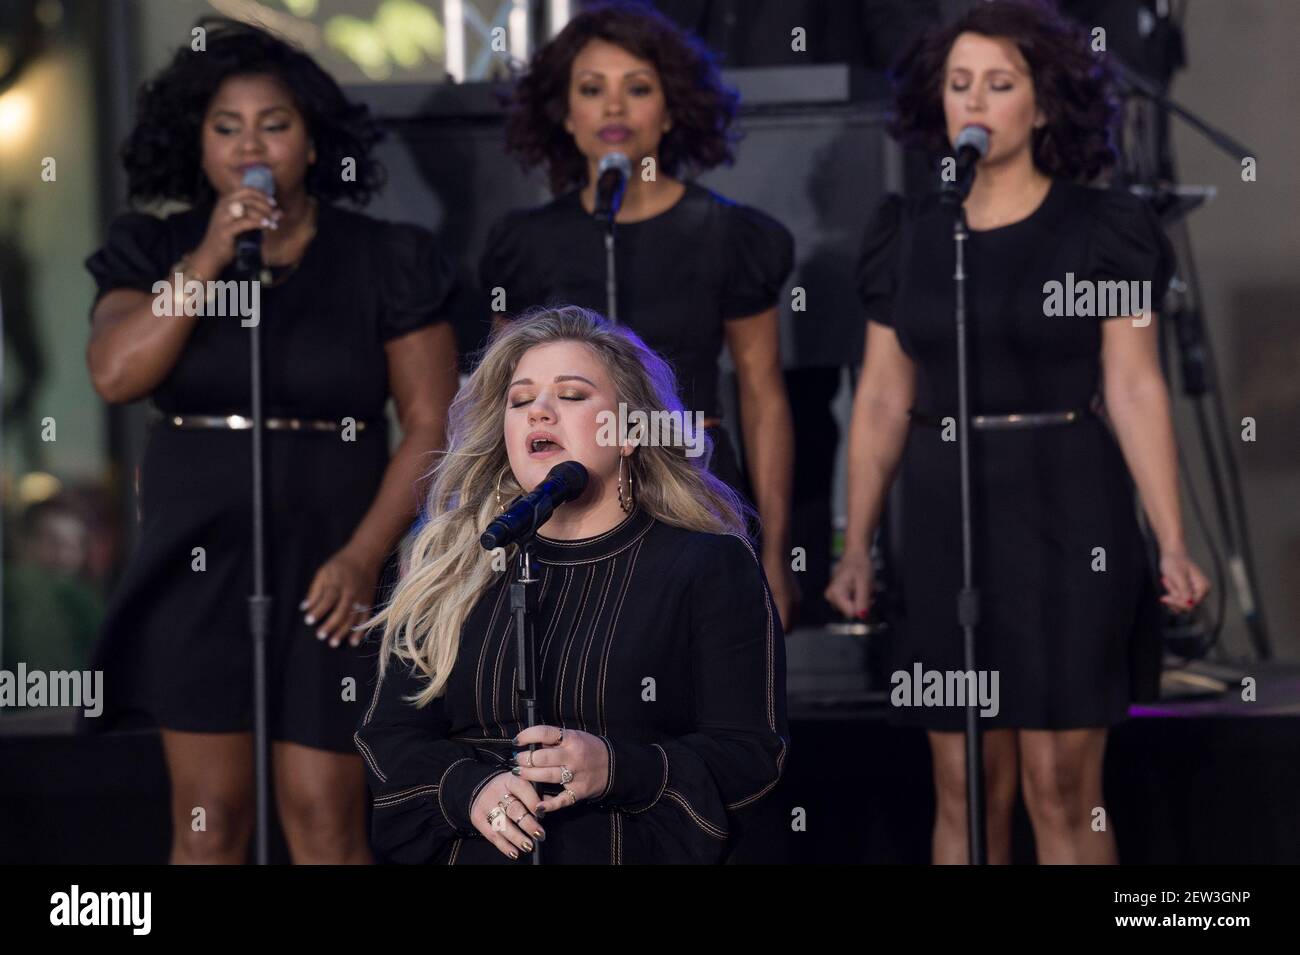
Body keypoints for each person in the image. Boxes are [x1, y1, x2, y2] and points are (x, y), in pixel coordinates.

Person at [824, 0, 1210, 864]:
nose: (975, 101)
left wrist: (1174, 539)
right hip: (942, 508)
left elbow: (1135, 386)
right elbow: (883, 396)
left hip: (1070, 509)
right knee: (965, 780)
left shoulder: (1104, 228)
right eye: (960, 84)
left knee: (1060, 780)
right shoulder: (910, 233)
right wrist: (855, 545)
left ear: (1042, 104)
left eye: (1000, 84)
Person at [82, 19, 458, 864]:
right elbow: (116, 371)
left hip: (337, 557)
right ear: (197, 140)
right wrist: (213, 250)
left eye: (275, 124)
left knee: (325, 809)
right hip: (198, 557)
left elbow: (433, 421)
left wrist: (365, 557)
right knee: (210, 812)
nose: (252, 144)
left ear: (311, 138)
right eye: (227, 127)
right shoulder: (154, 249)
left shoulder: (385, 257)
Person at [355, 306, 788, 864]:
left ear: (631, 431)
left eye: (572, 395)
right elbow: (388, 739)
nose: (539, 412)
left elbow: (752, 755)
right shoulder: (456, 563)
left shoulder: (706, 565)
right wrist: (469, 789)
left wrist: (616, 768)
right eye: (520, 400)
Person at [479, 0, 800, 629]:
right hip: (565, 489)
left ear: (671, 108)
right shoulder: (527, 243)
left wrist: (778, 550)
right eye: (592, 90)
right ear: (566, 117)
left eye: (638, 88)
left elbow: (762, 395)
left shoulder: (727, 234)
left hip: (692, 470)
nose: (615, 108)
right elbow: (501, 402)